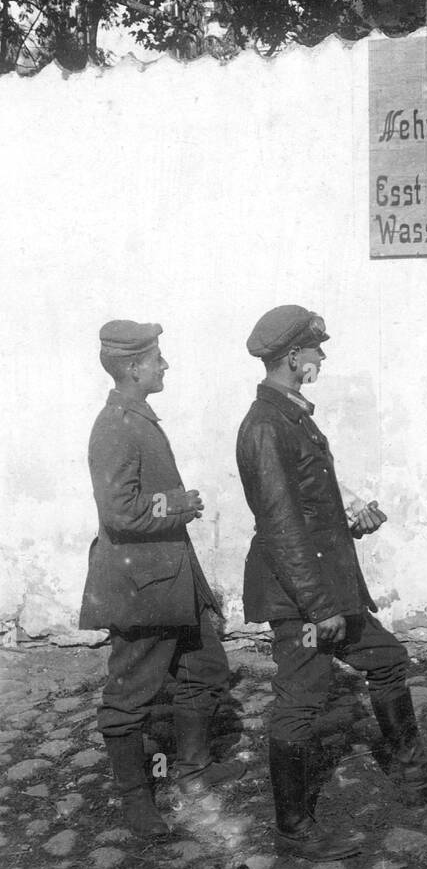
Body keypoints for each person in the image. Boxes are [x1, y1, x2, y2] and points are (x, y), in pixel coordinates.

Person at [235, 304, 427, 862]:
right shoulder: (264, 426)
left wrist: (350, 517)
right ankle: (293, 828)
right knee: (299, 702)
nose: (321, 357)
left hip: (324, 585)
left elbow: (306, 506)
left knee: (385, 658)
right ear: (291, 358)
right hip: (302, 595)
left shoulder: (291, 416)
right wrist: (318, 605)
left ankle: (413, 774)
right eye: (314, 349)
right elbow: (280, 526)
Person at [79, 321, 243, 839]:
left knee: (205, 668)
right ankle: (136, 801)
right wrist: (175, 504)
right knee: (129, 695)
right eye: (157, 359)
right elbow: (119, 510)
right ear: (132, 367)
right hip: (143, 589)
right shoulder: (115, 425)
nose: (164, 365)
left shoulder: (137, 419)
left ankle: (193, 771)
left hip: (171, 579)